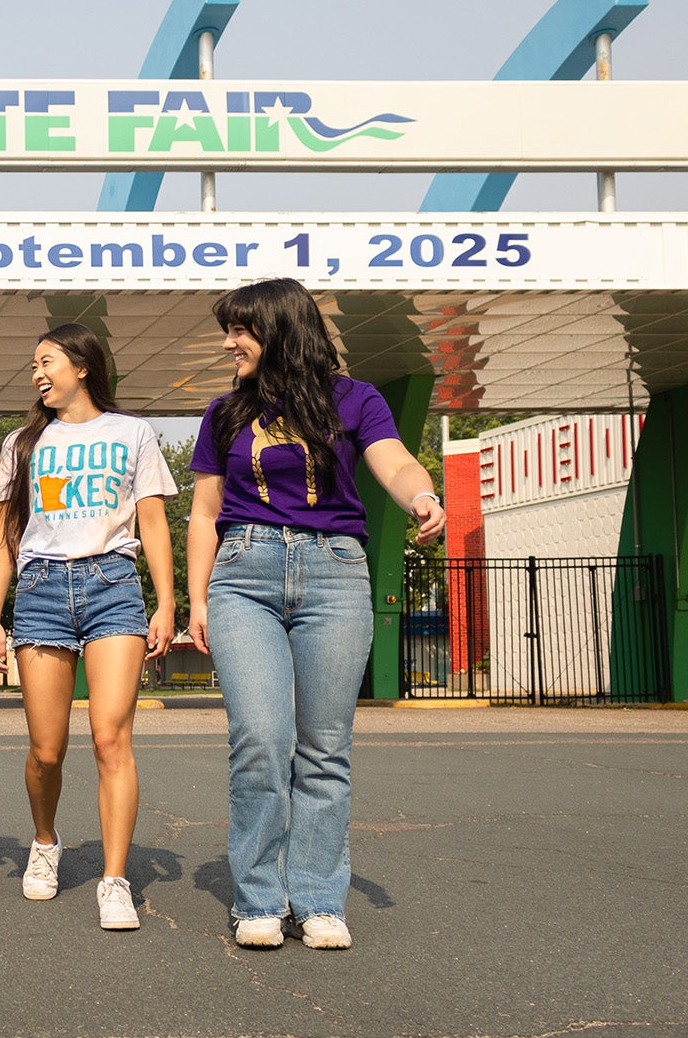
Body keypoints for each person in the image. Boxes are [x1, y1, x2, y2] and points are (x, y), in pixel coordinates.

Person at [186, 279, 446, 951]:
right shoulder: (223, 413)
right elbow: (205, 514)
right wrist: (197, 599)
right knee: (261, 741)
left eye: (240, 329)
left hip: (334, 573)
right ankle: (260, 901)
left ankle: (320, 897)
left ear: (278, 330)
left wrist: (423, 497)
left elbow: (394, 462)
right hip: (243, 575)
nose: (228, 342)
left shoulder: (355, 399)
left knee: (324, 750)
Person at [0, 324, 178, 927]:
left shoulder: (132, 433)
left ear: (83, 366)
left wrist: (166, 605)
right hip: (39, 591)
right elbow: (5, 539)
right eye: (33, 365)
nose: (37, 373)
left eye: (47, 361)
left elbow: (155, 523)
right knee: (46, 750)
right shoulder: (21, 442)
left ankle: (114, 880)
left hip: (113, 585)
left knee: (111, 738)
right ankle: (45, 842)